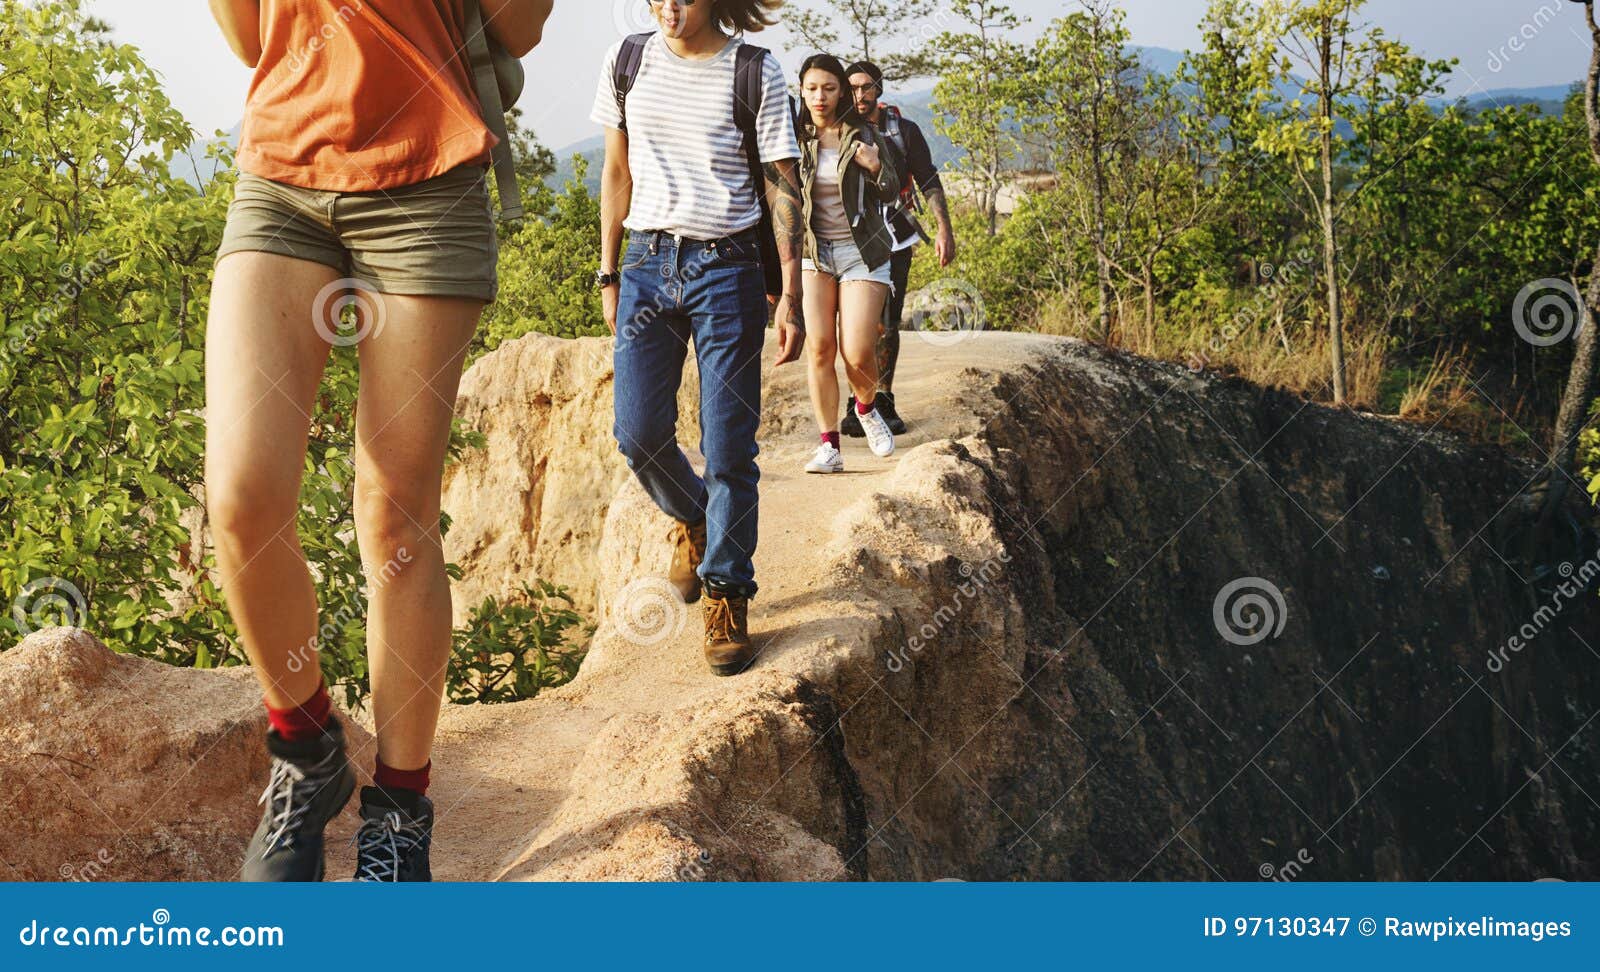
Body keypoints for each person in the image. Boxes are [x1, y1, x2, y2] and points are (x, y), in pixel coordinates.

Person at [205, 0, 553, 882]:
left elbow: (517, 29)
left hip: (426, 180)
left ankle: (399, 812)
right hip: (281, 177)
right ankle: (307, 752)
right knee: (240, 500)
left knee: (394, 514)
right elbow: (250, 40)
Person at [591, 0, 804, 676]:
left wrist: (791, 294)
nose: (670, 5)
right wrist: (607, 272)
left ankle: (727, 594)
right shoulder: (628, 59)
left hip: (728, 267)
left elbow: (783, 186)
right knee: (638, 431)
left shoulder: (755, 71)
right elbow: (617, 171)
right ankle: (696, 516)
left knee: (729, 446)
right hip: (646, 264)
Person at [838, 59, 957, 439]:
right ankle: (857, 401)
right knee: (853, 324)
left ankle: (883, 399)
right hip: (848, 238)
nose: (859, 95)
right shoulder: (836, 129)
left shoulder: (903, 131)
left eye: (866, 87)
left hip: (895, 236)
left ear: (879, 88)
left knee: (886, 322)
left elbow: (928, 179)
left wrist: (944, 229)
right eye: (852, 88)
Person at [795, 53, 903, 474]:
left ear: (841, 91)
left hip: (862, 252)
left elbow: (891, 190)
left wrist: (874, 167)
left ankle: (866, 408)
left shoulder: (864, 133)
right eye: (811, 88)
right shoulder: (793, 138)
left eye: (828, 88)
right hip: (814, 254)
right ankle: (829, 447)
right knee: (820, 347)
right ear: (802, 91)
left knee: (856, 351)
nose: (819, 97)